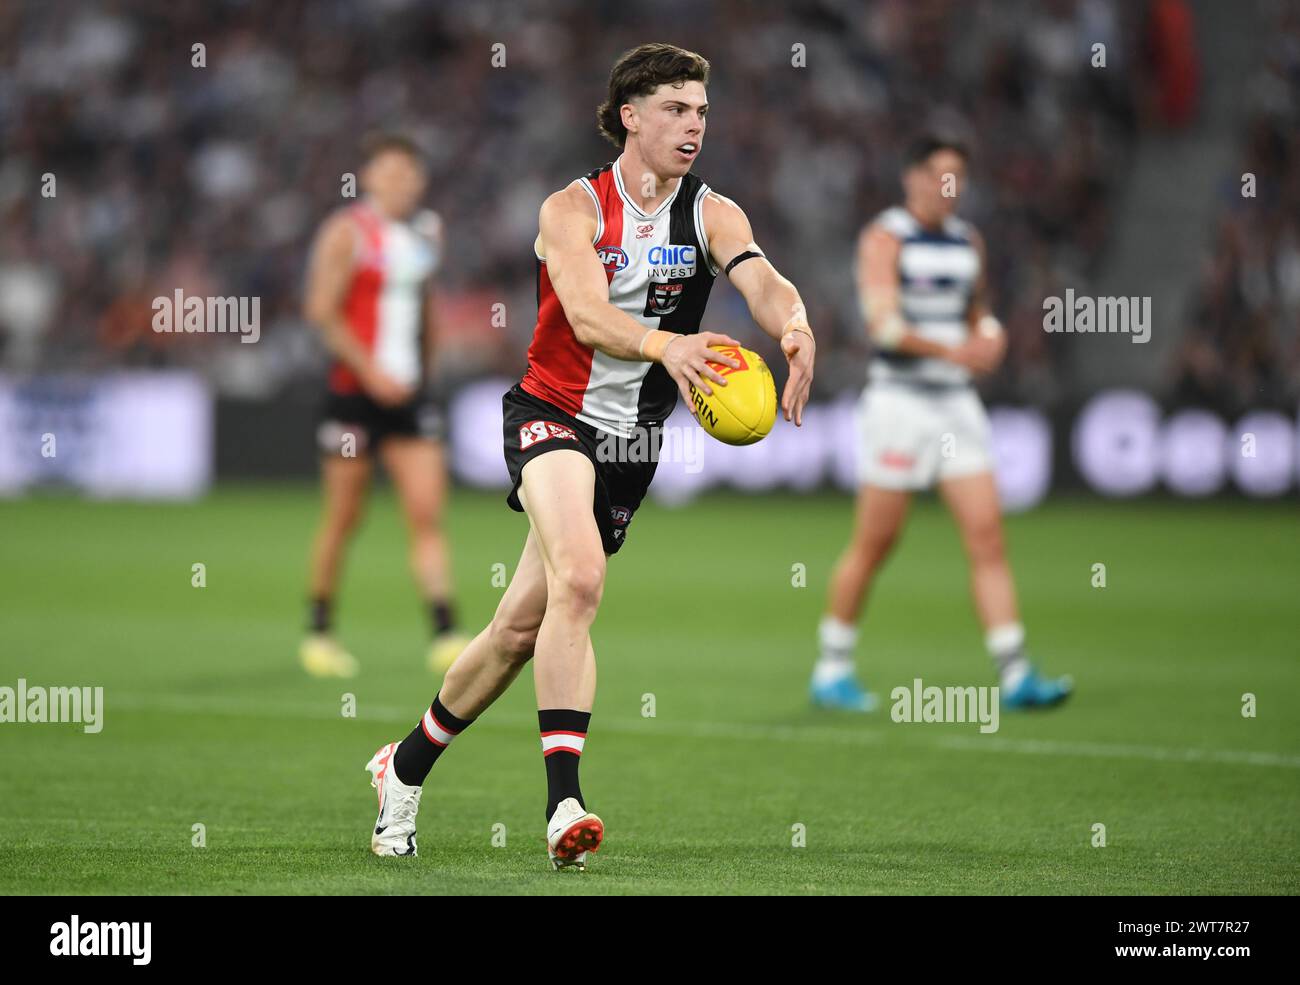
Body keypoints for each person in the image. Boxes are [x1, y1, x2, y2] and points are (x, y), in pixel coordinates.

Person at [364, 43, 815, 869]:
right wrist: (669, 346)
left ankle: (405, 765)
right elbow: (582, 313)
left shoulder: (714, 215)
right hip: (551, 413)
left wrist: (794, 323)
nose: (694, 126)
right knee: (581, 577)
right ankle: (563, 801)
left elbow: (762, 279)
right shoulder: (571, 210)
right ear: (630, 116)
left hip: (631, 444)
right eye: (676, 109)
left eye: (702, 111)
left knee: (517, 628)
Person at [810, 135, 1072, 712]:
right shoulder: (887, 237)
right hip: (899, 405)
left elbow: (977, 313)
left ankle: (1015, 672)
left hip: (955, 405)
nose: (950, 187)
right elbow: (883, 326)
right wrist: (955, 351)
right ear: (913, 178)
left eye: (959, 176)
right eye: (940, 175)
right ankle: (831, 667)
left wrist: (992, 335)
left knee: (987, 537)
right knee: (877, 542)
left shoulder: (965, 240)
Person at [300, 133, 469, 679]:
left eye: (409, 174)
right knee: (345, 516)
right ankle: (320, 631)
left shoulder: (427, 231)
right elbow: (321, 311)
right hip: (353, 395)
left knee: (426, 513)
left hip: (410, 396)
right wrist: (372, 373)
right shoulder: (347, 232)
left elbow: (424, 304)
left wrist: (426, 367)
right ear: (368, 178)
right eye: (389, 173)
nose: (400, 183)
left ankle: (445, 632)